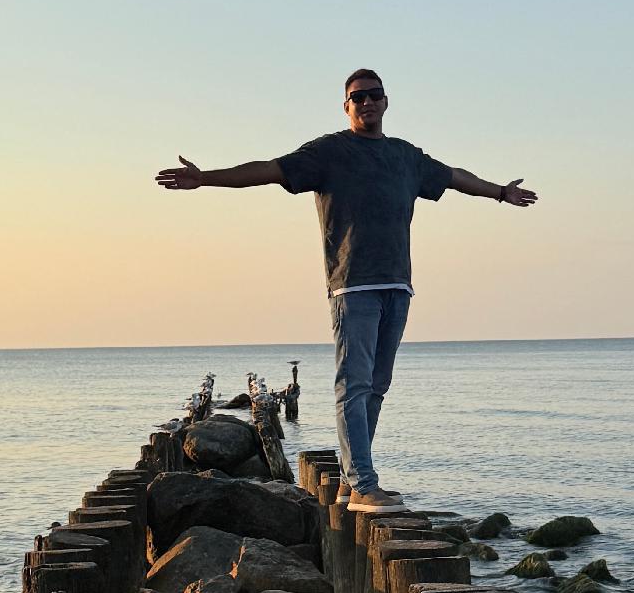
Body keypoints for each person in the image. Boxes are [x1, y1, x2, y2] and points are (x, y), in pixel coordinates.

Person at [155, 69, 536, 510]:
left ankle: (350, 477)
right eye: (358, 98)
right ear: (347, 106)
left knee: (376, 386)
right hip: (352, 286)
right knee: (354, 384)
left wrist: (500, 193)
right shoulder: (330, 152)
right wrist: (207, 178)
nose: (366, 102)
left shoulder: (405, 157)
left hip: (398, 284)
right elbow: (270, 169)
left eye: (374, 95)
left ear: (386, 101)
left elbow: (453, 176)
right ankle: (362, 484)